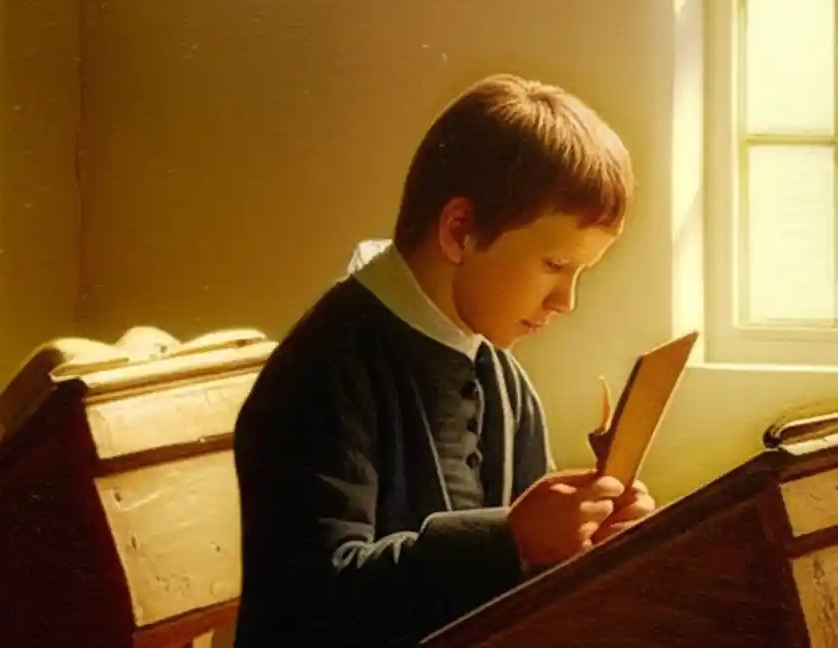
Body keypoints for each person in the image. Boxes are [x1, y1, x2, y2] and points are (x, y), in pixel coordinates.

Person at [232, 74, 654, 647]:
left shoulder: (504, 378)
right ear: (459, 231)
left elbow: (530, 595)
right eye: (555, 265)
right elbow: (315, 605)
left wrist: (592, 540)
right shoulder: (323, 373)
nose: (566, 301)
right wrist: (512, 542)